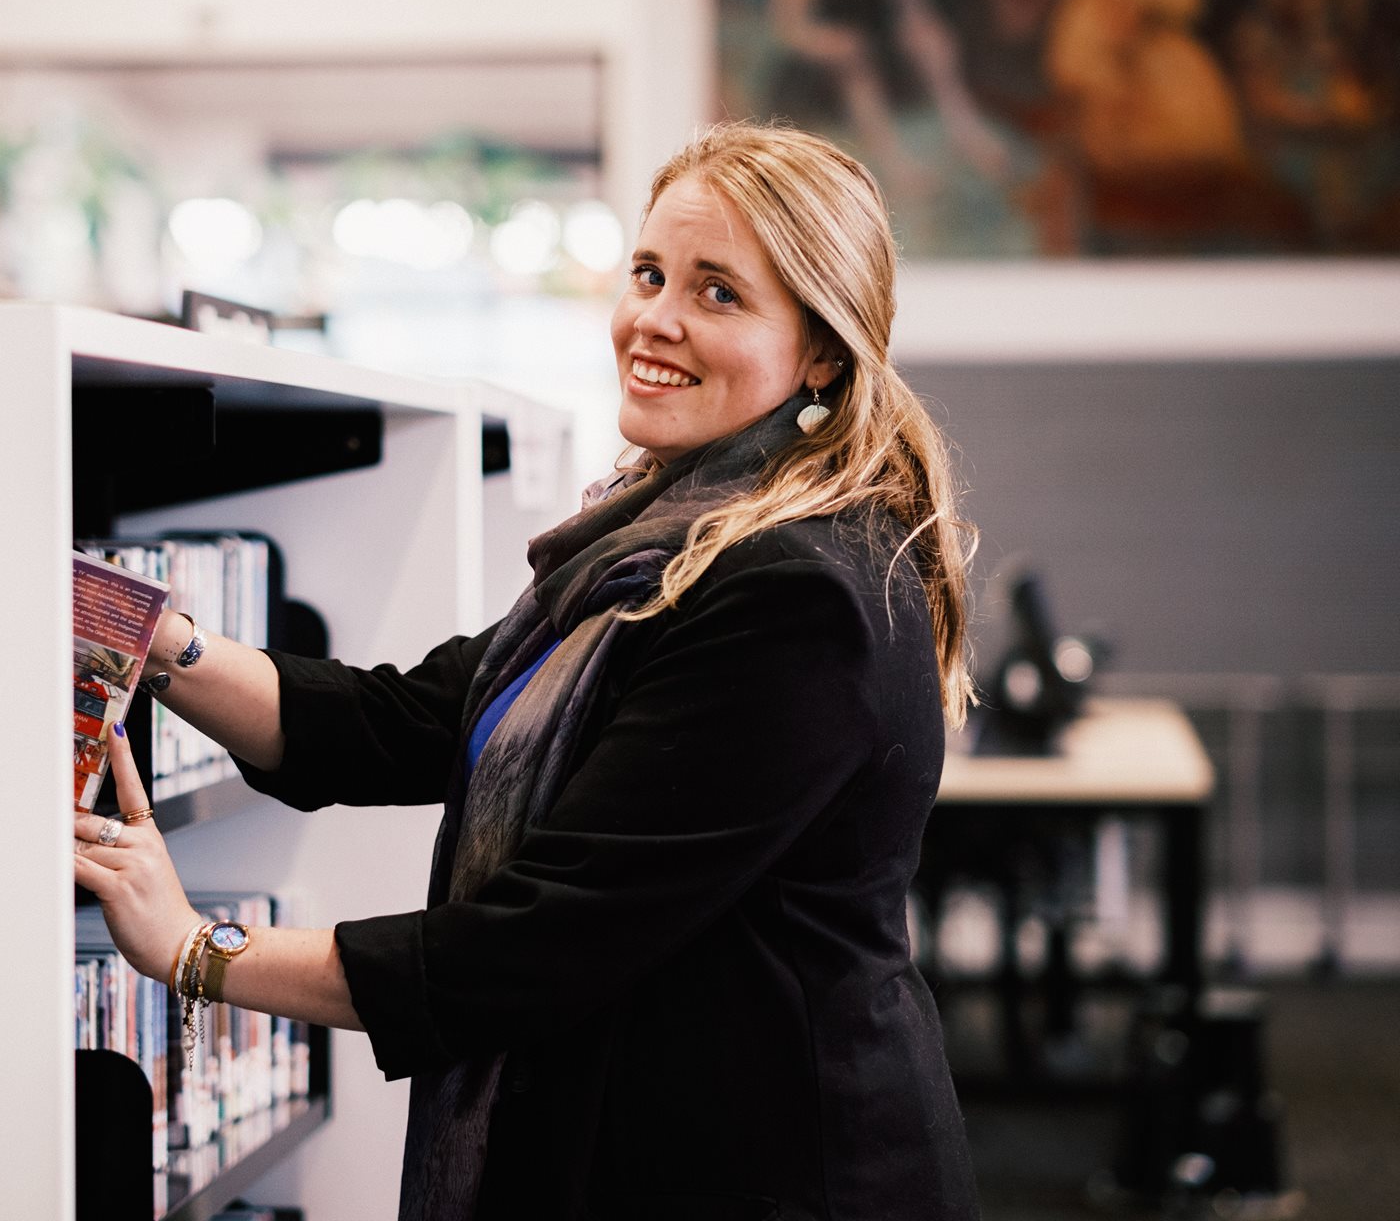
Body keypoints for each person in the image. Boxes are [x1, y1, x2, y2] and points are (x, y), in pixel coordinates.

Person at [72, 120, 982, 1221]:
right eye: (649, 273)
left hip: (769, 1166)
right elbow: (407, 716)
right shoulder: (651, 539)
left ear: (823, 351)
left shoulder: (798, 591)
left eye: (719, 293)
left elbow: (535, 943)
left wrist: (195, 950)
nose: (656, 319)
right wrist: (138, 628)